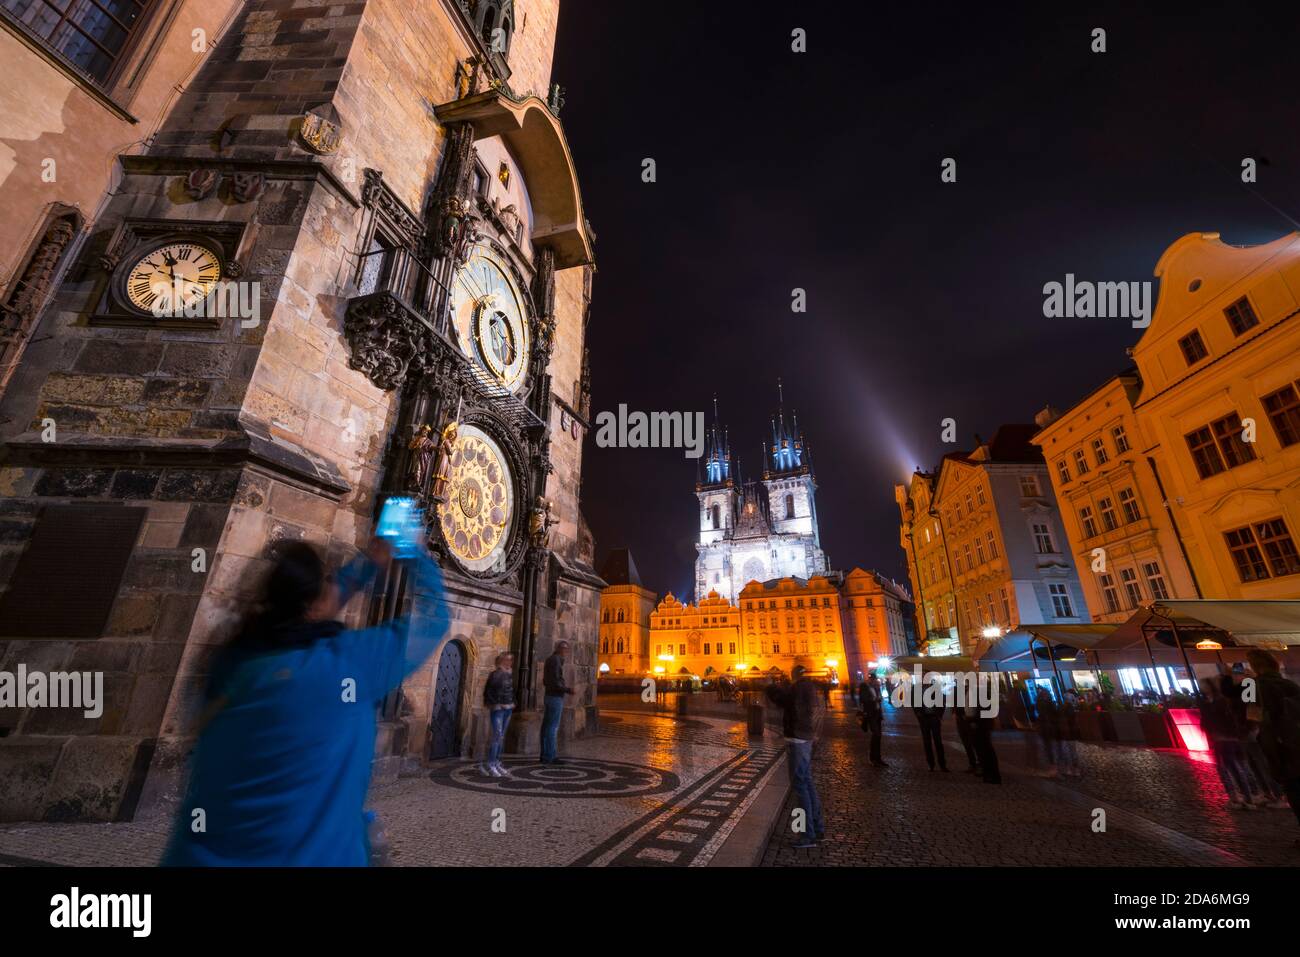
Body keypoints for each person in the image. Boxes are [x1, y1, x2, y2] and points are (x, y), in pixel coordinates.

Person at [163, 536, 450, 866]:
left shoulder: (232, 663)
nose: (334, 585)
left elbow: (307, 607)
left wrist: (368, 562)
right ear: (313, 603)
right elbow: (434, 617)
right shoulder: (349, 664)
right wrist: (415, 550)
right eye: (327, 578)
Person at [766, 666, 826, 848]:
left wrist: (770, 686)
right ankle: (817, 828)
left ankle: (806, 835)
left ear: (795, 675)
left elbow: (783, 701)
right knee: (807, 783)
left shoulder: (798, 689)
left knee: (800, 787)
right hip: (805, 738)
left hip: (797, 739)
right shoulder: (808, 688)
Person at [1246, 649, 1300, 841]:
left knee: (1292, 786)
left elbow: (1250, 717)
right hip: (1297, 741)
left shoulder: (1251, 685)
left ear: (1254, 667)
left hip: (1277, 744)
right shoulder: (1289, 684)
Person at [1199, 677, 1263, 810]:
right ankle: (1251, 794)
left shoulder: (1218, 702)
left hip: (1227, 737)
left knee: (1233, 767)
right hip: (1233, 736)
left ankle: (1246, 796)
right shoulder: (1221, 700)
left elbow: (1223, 719)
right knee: (1240, 765)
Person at [481, 652, 515, 777]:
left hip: (508, 708)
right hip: (498, 709)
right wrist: (495, 704)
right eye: (507, 659)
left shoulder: (509, 674)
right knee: (497, 736)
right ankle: (491, 764)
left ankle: (497, 762)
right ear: (501, 661)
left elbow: (510, 691)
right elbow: (488, 692)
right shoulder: (495, 675)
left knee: (501, 737)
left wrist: (512, 702)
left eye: (511, 660)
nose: (509, 662)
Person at [541, 640, 574, 764]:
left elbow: (546, 680)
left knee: (547, 726)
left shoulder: (551, 659)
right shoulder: (556, 660)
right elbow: (555, 681)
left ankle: (545, 755)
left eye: (567, 650)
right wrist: (567, 689)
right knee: (552, 727)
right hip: (555, 697)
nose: (566, 652)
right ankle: (550, 756)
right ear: (560, 649)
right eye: (565, 650)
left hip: (549, 695)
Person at [914, 677, 949, 771]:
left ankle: (942, 764)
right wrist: (918, 715)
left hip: (934, 718)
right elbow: (914, 703)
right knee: (927, 742)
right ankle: (931, 764)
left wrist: (939, 716)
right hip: (924, 719)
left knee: (938, 742)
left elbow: (942, 702)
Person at [858, 673, 886, 767]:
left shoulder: (876, 687)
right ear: (869, 679)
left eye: (874, 679)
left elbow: (879, 698)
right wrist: (874, 699)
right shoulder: (864, 687)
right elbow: (863, 699)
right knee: (876, 734)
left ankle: (878, 758)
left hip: (877, 714)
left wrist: (879, 698)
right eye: (872, 679)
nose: (873, 681)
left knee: (878, 736)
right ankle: (873, 757)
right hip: (870, 715)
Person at [953, 700, 981, 774]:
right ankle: (972, 764)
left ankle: (980, 765)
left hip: (970, 719)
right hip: (960, 720)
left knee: (975, 743)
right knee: (966, 743)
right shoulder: (958, 690)